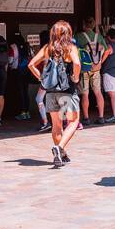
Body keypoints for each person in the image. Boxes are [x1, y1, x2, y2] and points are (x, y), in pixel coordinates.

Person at [28, 19, 81, 167]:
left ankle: (61, 155)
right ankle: (60, 148)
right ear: (68, 33)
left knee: (56, 126)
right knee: (73, 121)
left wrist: (42, 78)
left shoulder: (47, 48)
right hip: (67, 91)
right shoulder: (70, 48)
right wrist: (75, 77)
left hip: (50, 92)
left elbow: (31, 64)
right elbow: (76, 63)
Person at [75, 17, 109, 126]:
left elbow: (74, 50)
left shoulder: (79, 37)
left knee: (85, 94)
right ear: (94, 25)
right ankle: (101, 117)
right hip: (96, 69)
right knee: (98, 92)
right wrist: (100, 62)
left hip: (84, 68)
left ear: (84, 25)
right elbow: (108, 50)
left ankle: (86, 118)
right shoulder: (98, 37)